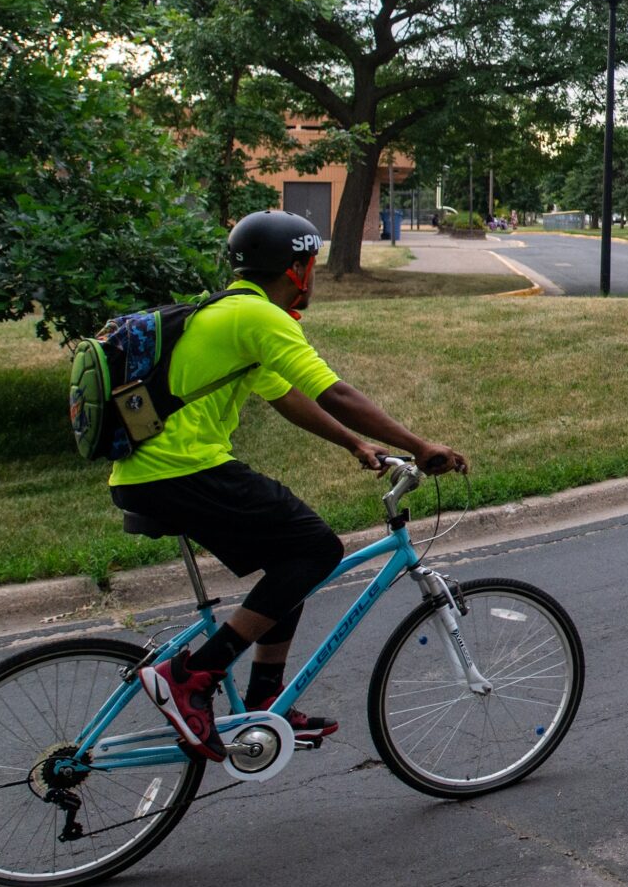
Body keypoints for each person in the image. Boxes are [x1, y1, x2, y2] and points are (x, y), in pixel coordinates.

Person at [124, 210, 467, 761]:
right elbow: (335, 393)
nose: (313, 276)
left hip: (156, 473)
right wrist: (420, 446)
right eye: (311, 264)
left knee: (293, 558)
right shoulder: (261, 316)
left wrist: (354, 445)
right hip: (180, 469)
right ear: (297, 269)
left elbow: (286, 395)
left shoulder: (227, 311)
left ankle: (267, 699)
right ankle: (191, 677)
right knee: (316, 549)